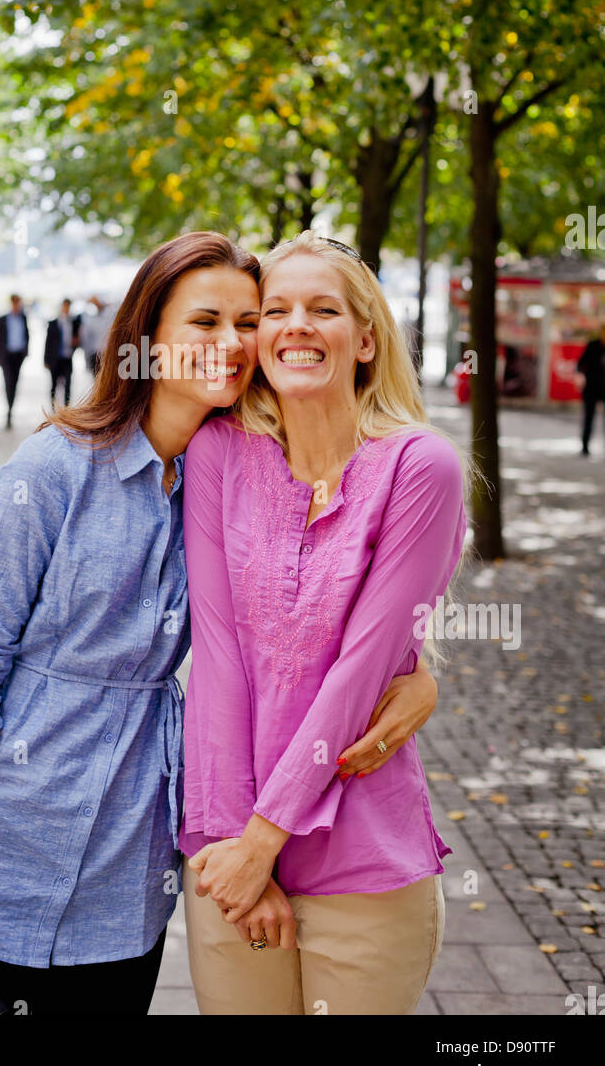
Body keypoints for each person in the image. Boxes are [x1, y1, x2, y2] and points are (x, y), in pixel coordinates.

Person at [0, 232, 438, 1017]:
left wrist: (418, 677)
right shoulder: (50, 475)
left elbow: (306, 624)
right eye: (204, 322)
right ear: (146, 339)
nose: (234, 344)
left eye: (248, 323)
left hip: (123, 880)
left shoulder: (232, 477)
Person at [181, 232, 467, 1016]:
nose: (296, 325)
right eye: (275, 310)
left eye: (324, 309)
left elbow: (365, 669)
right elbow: (218, 658)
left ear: (366, 339)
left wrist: (264, 841)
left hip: (363, 866)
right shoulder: (218, 453)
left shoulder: (420, 466)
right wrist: (236, 851)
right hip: (225, 851)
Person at [0, 295, 30, 430]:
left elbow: (27, 335)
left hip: (18, 356)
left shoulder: (23, 318)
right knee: (8, 382)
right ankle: (8, 411)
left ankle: (11, 407)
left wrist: (26, 351)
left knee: (15, 382)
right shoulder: (3, 319)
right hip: (6, 356)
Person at [43, 298, 81, 406]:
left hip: (67, 358)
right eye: (65, 306)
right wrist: (46, 360)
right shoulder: (53, 323)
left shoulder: (74, 323)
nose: (66, 309)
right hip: (55, 359)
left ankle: (66, 407)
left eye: (68, 307)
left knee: (68, 384)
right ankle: (53, 407)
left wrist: (76, 344)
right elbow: (48, 343)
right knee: (54, 385)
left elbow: (78, 340)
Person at [577, 324, 605, 456]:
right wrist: (580, 376)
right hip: (592, 387)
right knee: (588, 417)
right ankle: (585, 446)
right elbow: (580, 363)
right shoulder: (593, 345)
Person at [79, 296, 116, 377]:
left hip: (107, 353)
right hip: (94, 355)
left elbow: (117, 309)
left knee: (108, 378)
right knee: (97, 380)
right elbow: (86, 341)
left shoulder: (109, 317)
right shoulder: (90, 320)